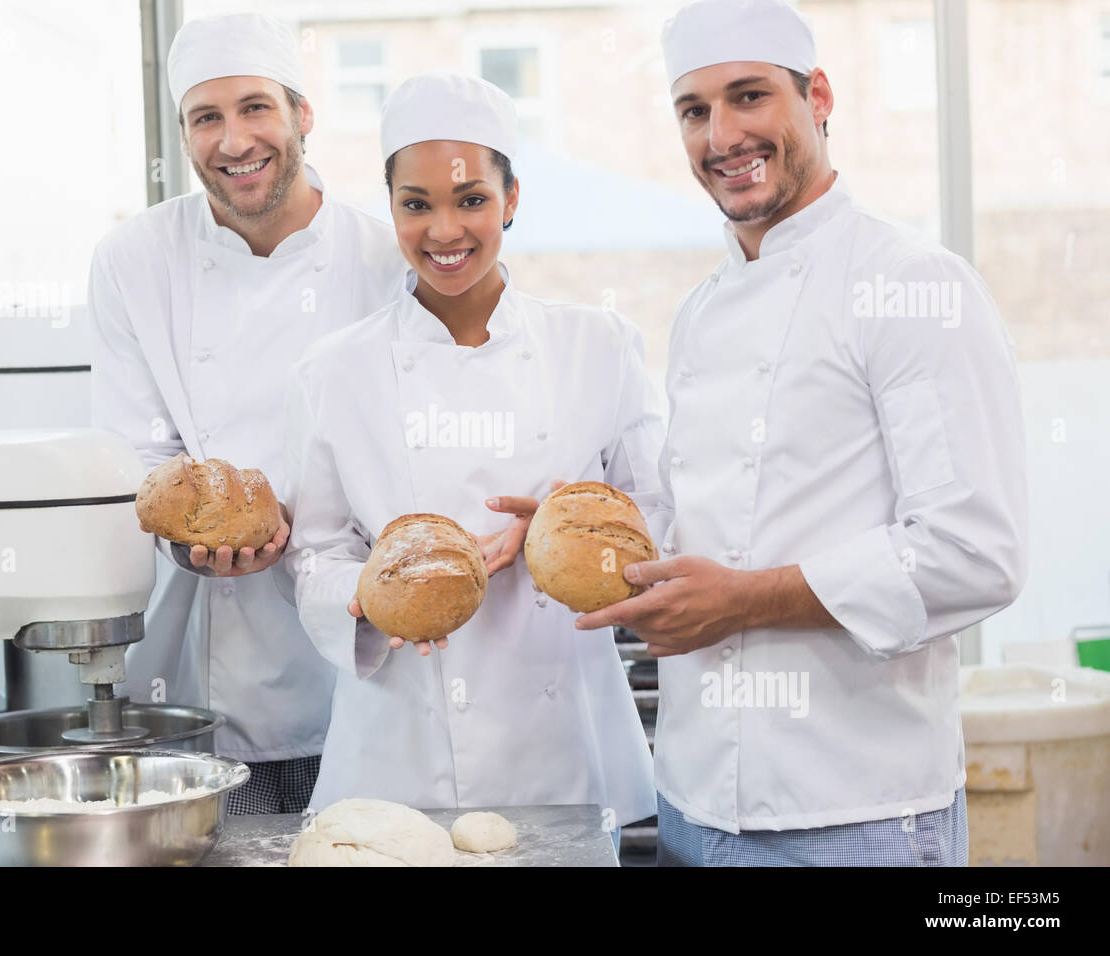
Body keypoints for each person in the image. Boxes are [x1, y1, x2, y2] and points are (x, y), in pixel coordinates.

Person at [575, 0, 1028, 866]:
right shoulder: (702, 310)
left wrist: (744, 599)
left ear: (818, 95)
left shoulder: (914, 288)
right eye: (695, 110)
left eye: (749, 97)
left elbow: (976, 552)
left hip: (858, 814)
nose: (722, 135)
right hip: (694, 800)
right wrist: (581, 525)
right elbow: (707, 523)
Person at [283, 72, 662, 848]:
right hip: (395, 751)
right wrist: (367, 595)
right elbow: (314, 549)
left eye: (472, 200)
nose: (444, 229)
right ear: (390, 208)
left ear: (513, 198)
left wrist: (567, 531)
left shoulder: (598, 347)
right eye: (415, 204)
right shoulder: (334, 371)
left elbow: (664, 518)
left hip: (561, 755)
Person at [87, 13, 402, 814]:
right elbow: (135, 452)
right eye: (206, 117)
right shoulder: (135, 259)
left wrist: (305, 529)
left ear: (301, 114)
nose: (233, 141)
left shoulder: (386, 259)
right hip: (194, 682)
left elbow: (405, 459)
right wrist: (194, 542)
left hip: (353, 664)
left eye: (255, 108)